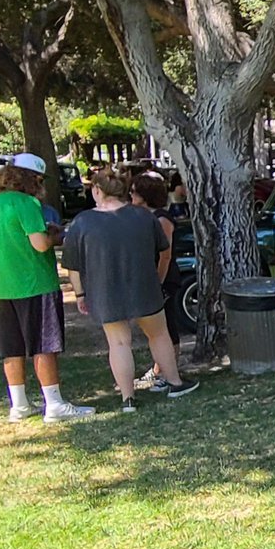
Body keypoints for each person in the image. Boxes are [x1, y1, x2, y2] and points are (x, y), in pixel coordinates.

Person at [64, 167, 195, 412]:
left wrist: (80, 293)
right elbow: (162, 250)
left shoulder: (82, 222)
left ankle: (128, 398)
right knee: (159, 334)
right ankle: (175, 383)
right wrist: (157, 279)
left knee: (119, 343)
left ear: (97, 190)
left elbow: (73, 265)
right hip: (144, 285)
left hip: (105, 291)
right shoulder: (144, 216)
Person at [0, 153, 93, 423]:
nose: (41, 184)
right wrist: (55, 235)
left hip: (5, 285)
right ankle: (54, 403)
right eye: (39, 179)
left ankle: (18, 404)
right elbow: (40, 244)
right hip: (36, 282)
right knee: (44, 344)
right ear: (29, 179)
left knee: (13, 347)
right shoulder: (28, 203)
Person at [129, 169, 190, 365]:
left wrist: (159, 282)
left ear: (145, 195)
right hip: (148, 276)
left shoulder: (162, 218)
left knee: (167, 324)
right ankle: (159, 367)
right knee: (153, 326)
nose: (130, 195)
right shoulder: (141, 216)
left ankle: (170, 366)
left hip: (164, 277)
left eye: (134, 191)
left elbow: (166, 255)